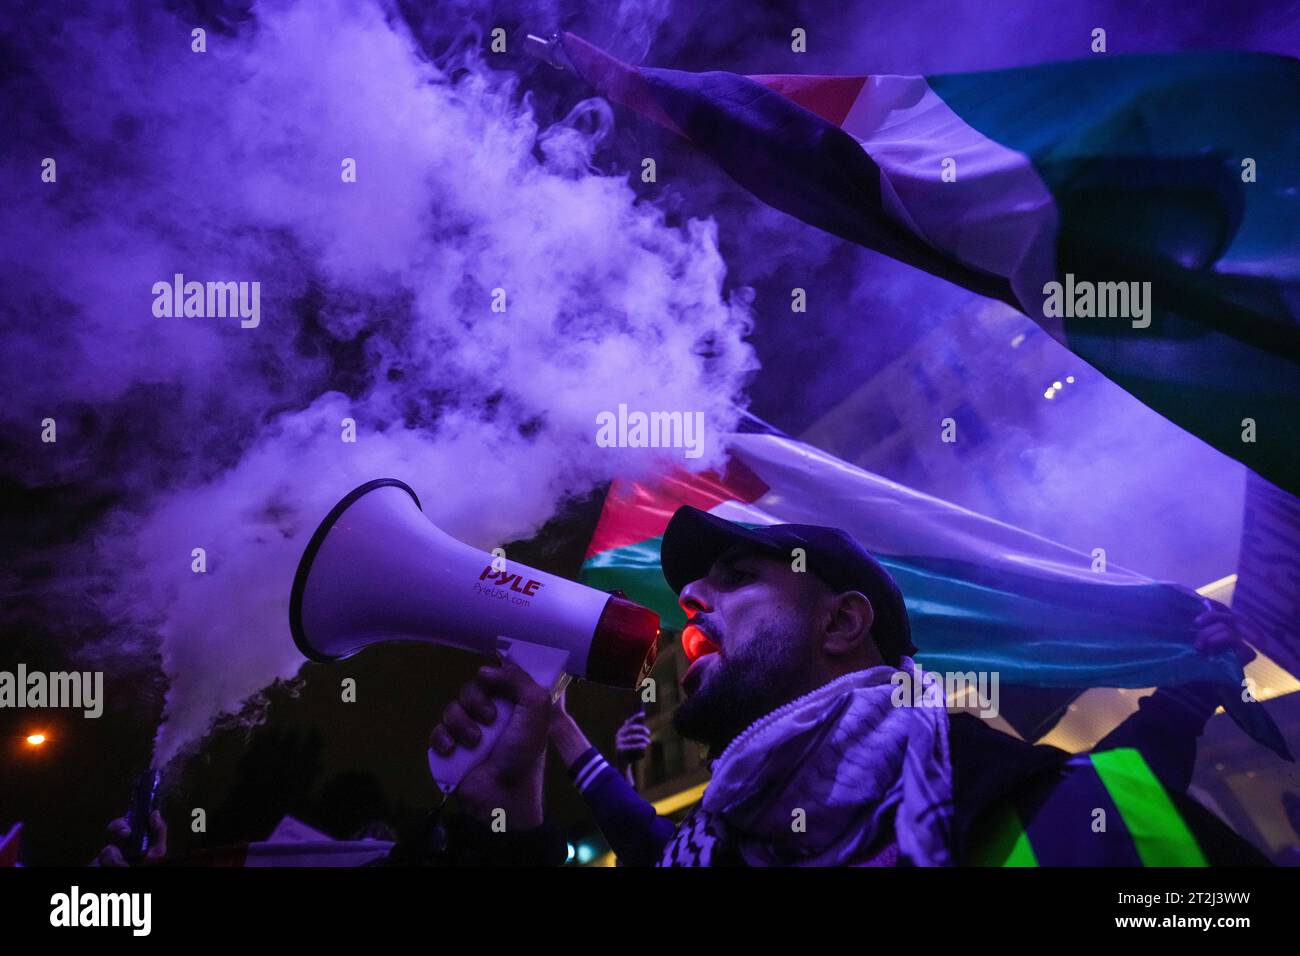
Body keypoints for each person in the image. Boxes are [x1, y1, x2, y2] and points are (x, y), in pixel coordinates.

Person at [424, 505, 1270, 866]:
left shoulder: (1084, 819)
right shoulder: (710, 850)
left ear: (841, 625)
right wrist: (507, 809)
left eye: (737, 574)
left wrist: (1193, 682)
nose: (686, 598)